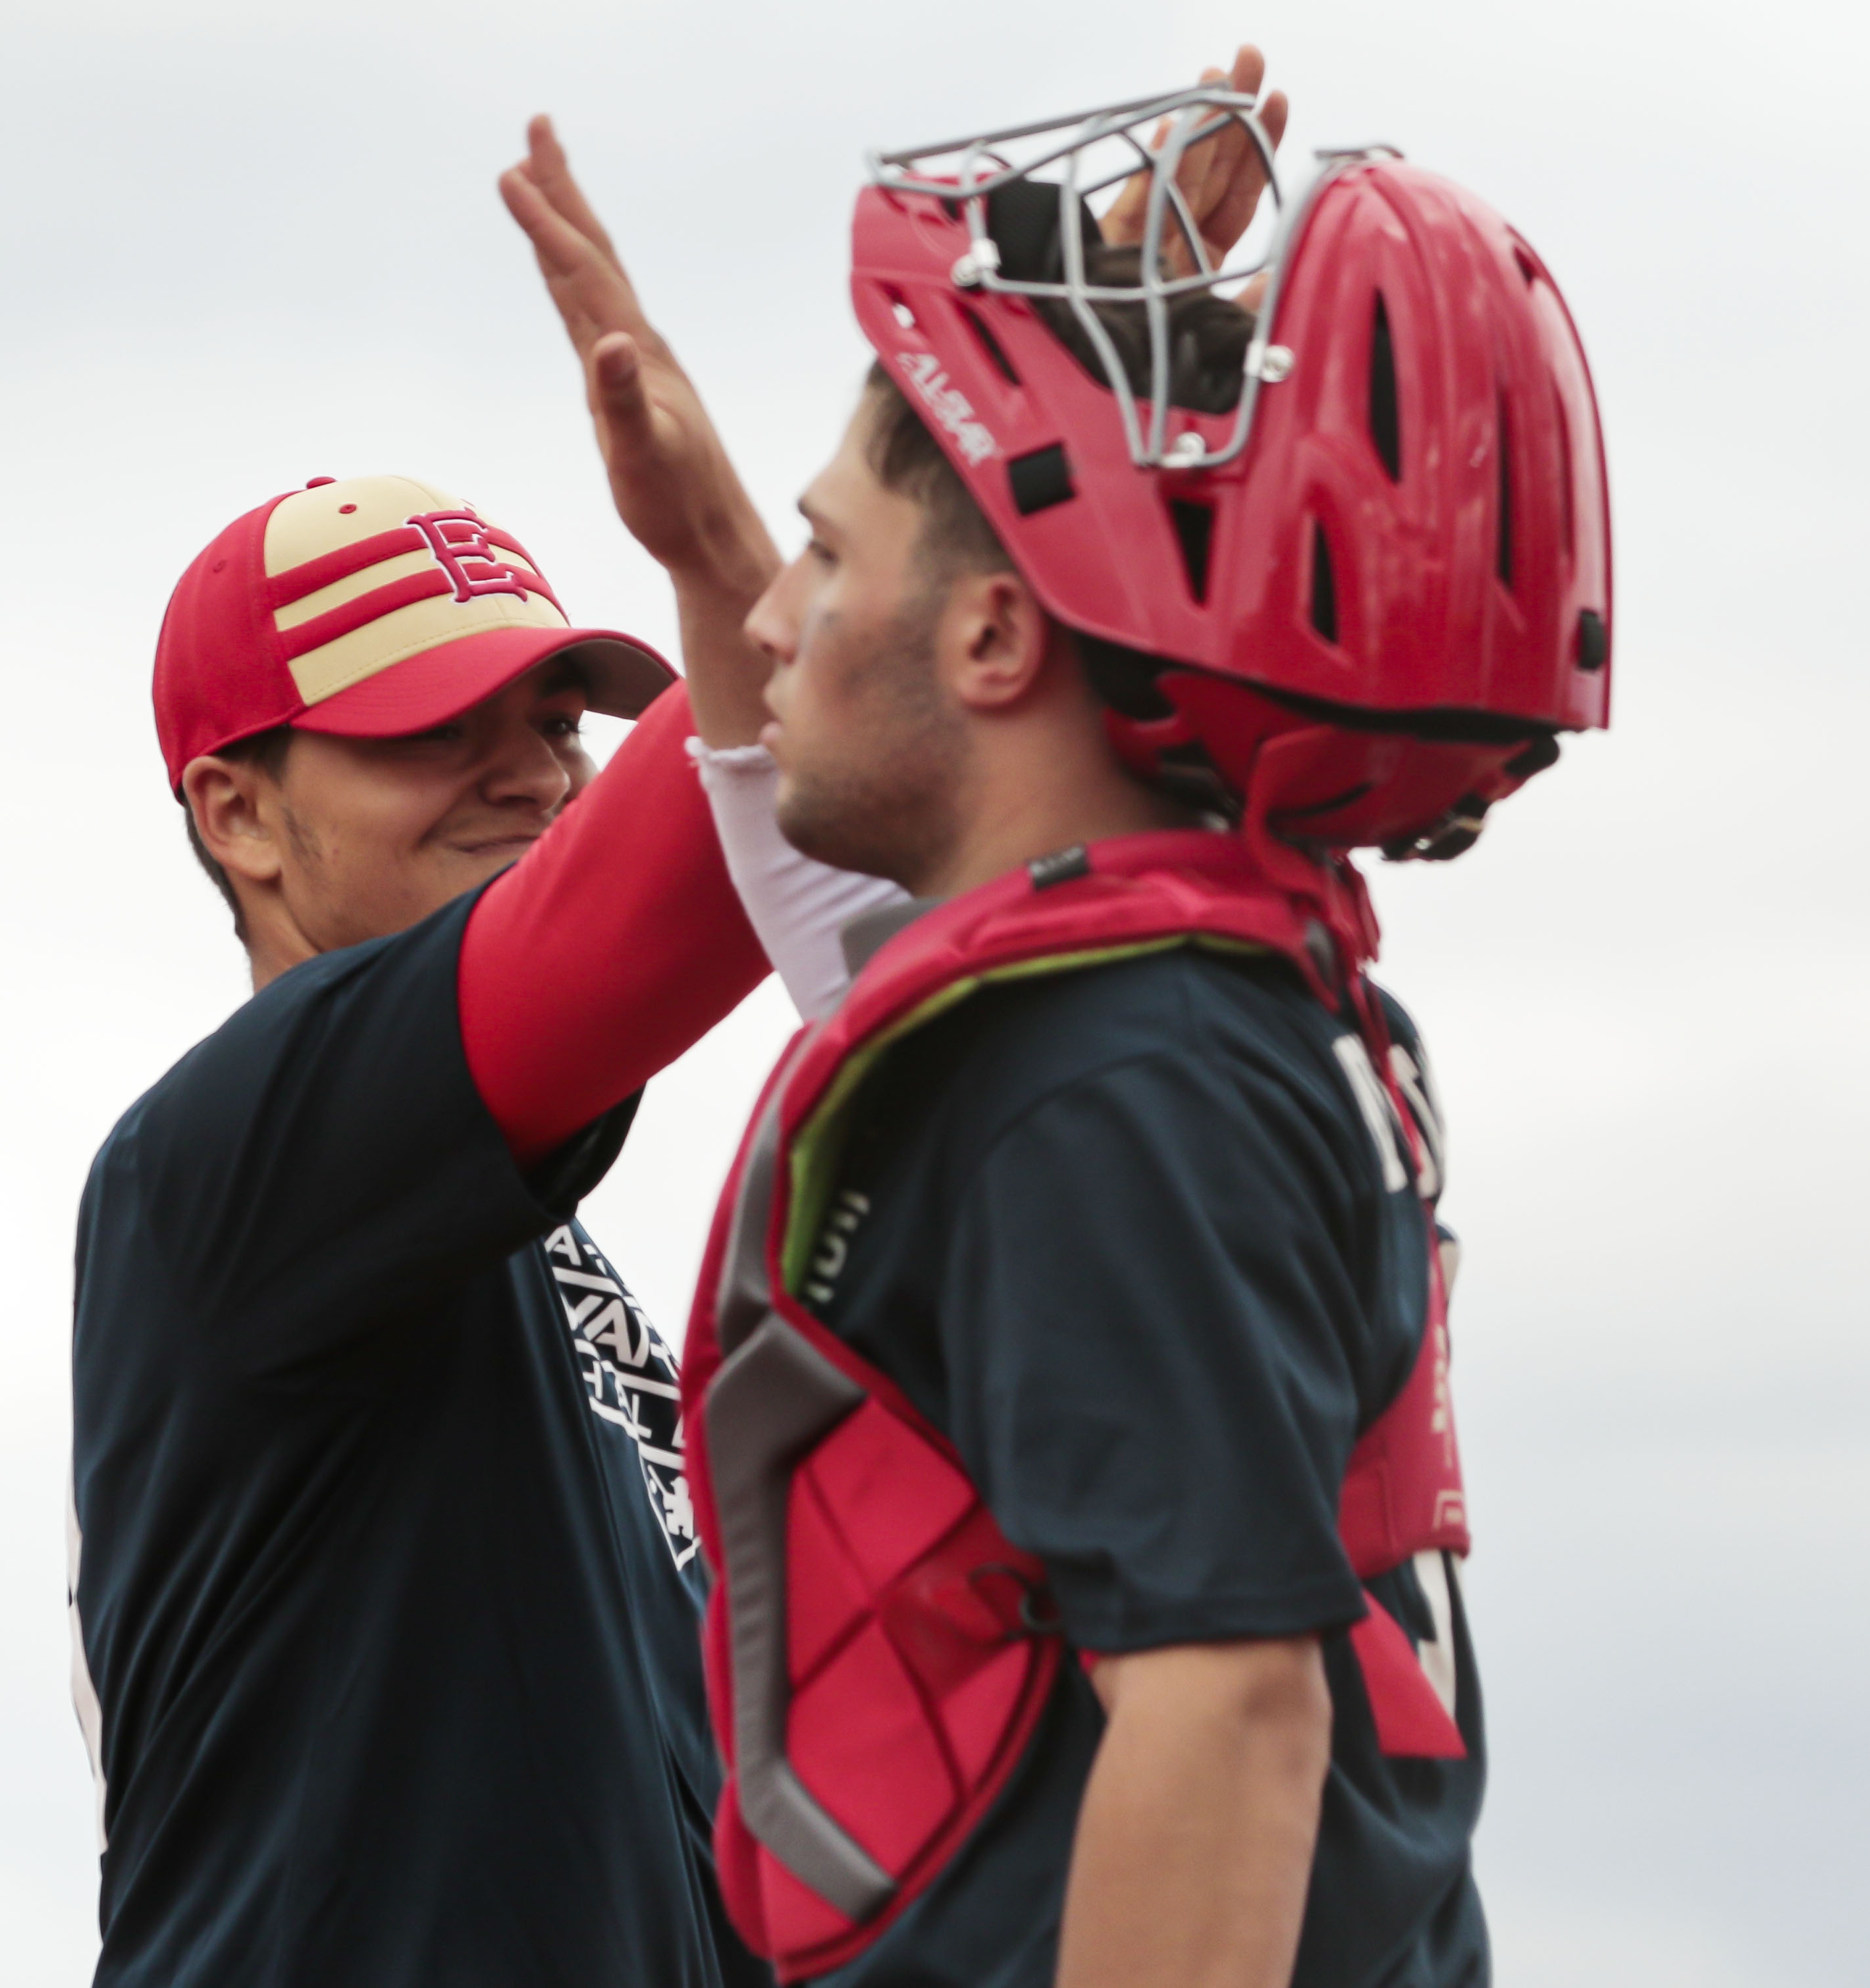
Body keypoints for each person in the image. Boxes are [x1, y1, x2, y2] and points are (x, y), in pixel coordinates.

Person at [666, 74, 1614, 1988]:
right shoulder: (1202, 1007)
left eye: (830, 556)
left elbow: (1228, 1709)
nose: (776, 616)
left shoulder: (1104, 1072)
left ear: (999, 642)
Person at [65, 121, 848, 1983]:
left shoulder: (540, 1259)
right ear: (240, 818)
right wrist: (935, 442)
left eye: (557, 715)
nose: (532, 767)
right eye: (437, 725)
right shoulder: (223, 1171)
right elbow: (671, 886)